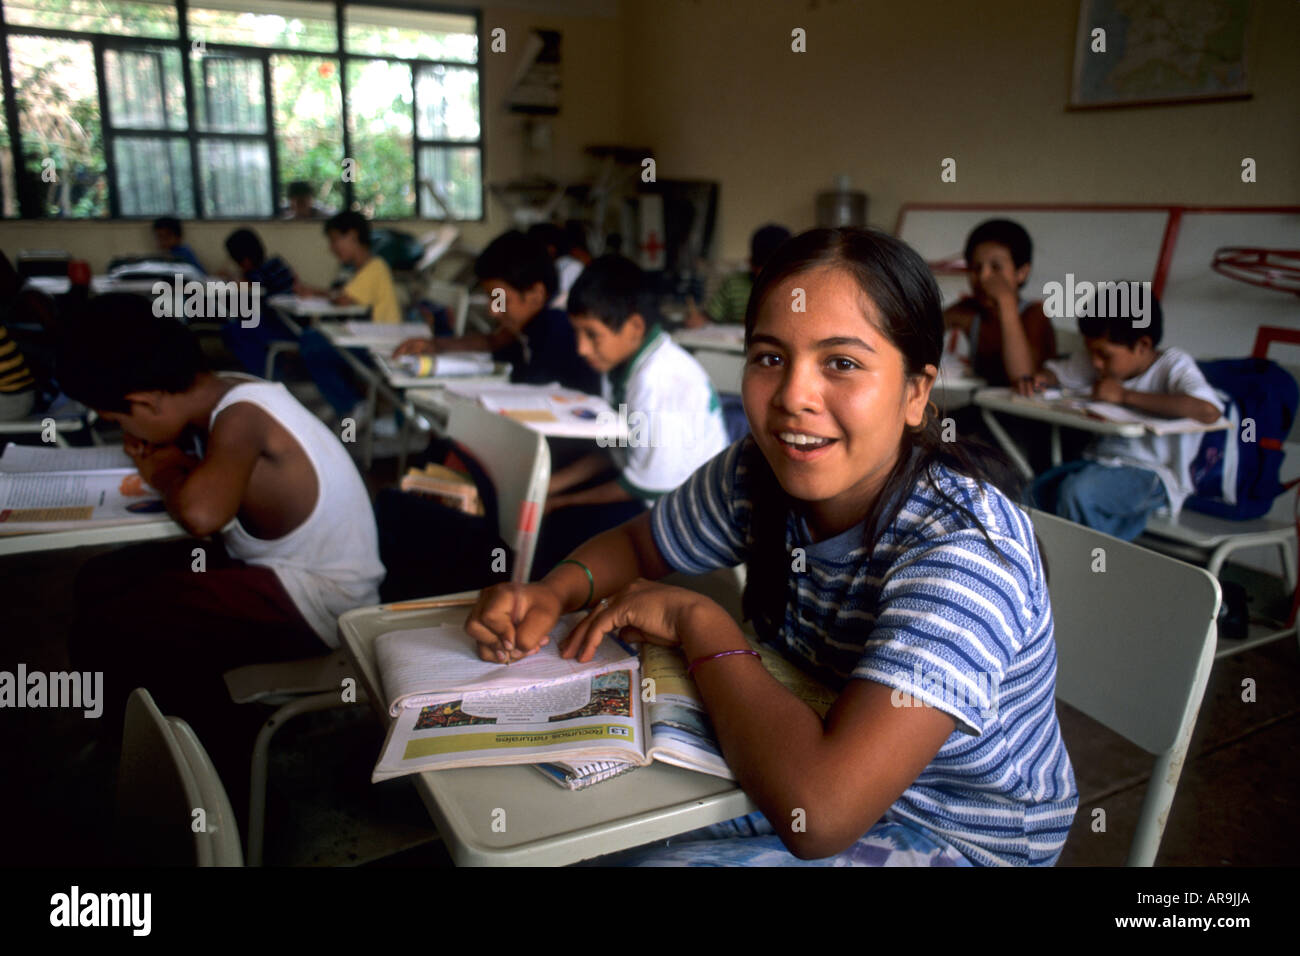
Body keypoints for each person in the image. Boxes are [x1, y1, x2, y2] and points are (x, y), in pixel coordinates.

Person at [465, 227, 1077, 866]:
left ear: (915, 393)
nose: (792, 397)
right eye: (769, 358)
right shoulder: (756, 472)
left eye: (842, 363)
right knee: (572, 831)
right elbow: (641, 544)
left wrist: (697, 621)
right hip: (805, 741)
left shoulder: (965, 552)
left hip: (954, 832)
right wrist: (551, 591)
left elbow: (822, 814)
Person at [58, 295, 384, 786]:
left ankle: (180, 768)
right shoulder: (230, 388)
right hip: (278, 572)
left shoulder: (240, 417)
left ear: (145, 402)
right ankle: (140, 734)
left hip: (320, 600)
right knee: (100, 578)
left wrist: (165, 471)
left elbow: (202, 513)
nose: (125, 434)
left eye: (117, 420)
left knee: (110, 630)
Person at [533, 255, 729, 577]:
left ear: (634, 327)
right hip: (645, 487)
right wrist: (548, 486)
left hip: (681, 516)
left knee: (560, 534)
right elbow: (614, 450)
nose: (581, 349)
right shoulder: (620, 367)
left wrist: (561, 501)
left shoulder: (659, 382)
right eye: (577, 333)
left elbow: (644, 486)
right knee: (547, 505)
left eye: (592, 335)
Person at [1023, 297, 1223, 541]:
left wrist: (1124, 396)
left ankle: (1094, 561)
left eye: (1104, 355)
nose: (1095, 362)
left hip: (1154, 474)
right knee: (1031, 494)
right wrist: (1042, 378)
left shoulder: (1173, 365)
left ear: (1142, 345)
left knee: (1078, 493)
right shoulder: (1098, 362)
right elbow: (1057, 374)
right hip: (1098, 463)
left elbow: (1208, 410)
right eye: (1091, 352)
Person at [394, 230, 600, 395]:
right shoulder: (532, 325)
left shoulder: (558, 331)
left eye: (500, 299)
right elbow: (494, 342)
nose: (493, 311)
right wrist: (436, 345)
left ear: (535, 295)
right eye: (491, 298)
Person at [292, 211, 403, 424]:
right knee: (314, 340)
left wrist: (313, 292)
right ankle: (344, 402)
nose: (332, 248)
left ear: (352, 236)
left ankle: (350, 403)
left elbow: (343, 300)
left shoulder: (375, 267)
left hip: (380, 343)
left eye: (335, 240)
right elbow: (343, 296)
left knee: (312, 343)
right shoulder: (360, 269)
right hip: (369, 337)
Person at [942, 218, 1055, 387]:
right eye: (976, 268)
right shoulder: (968, 311)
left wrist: (1006, 303)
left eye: (996, 267)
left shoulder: (1035, 314)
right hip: (982, 400)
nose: (983, 277)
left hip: (1024, 402)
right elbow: (919, 333)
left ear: (1022, 273)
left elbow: (1023, 377)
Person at [219, 227, 298, 377]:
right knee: (237, 327)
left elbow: (248, 286)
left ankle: (266, 375)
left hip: (285, 324)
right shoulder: (275, 263)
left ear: (245, 260)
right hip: (285, 322)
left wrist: (232, 277)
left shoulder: (265, 269)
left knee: (234, 331)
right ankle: (268, 371)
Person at [684, 223, 790, 327]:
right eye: (764, 268)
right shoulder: (733, 284)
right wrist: (699, 319)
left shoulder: (793, 288)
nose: (770, 275)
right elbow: (710, 316)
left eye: (778, 270)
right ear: (751, 264)